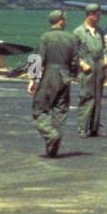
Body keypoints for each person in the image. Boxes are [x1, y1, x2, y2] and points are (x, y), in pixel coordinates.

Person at [30, 9, 78, 158]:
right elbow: (76, 61)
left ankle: (51, 135)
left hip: (49, 75)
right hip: (65, 77)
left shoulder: (45, 37)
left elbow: (37, 58)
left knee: (39, 110)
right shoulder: (72, 38)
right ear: (61, 21)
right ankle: (53, 150)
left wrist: (32, 80)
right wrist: (72, 75)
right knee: (60, 112)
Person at [72, 4, 107, 137]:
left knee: (98, 98)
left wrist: (106, 58)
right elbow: (73, 52)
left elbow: (104, 47)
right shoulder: (78, 32)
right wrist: (81, 63)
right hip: (87, 68)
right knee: (87, 97)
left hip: (99, 67)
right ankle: (82, 128)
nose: (99, 17)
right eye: (98, 14)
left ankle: (95, 128)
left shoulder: (99, 31)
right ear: (90, 15)